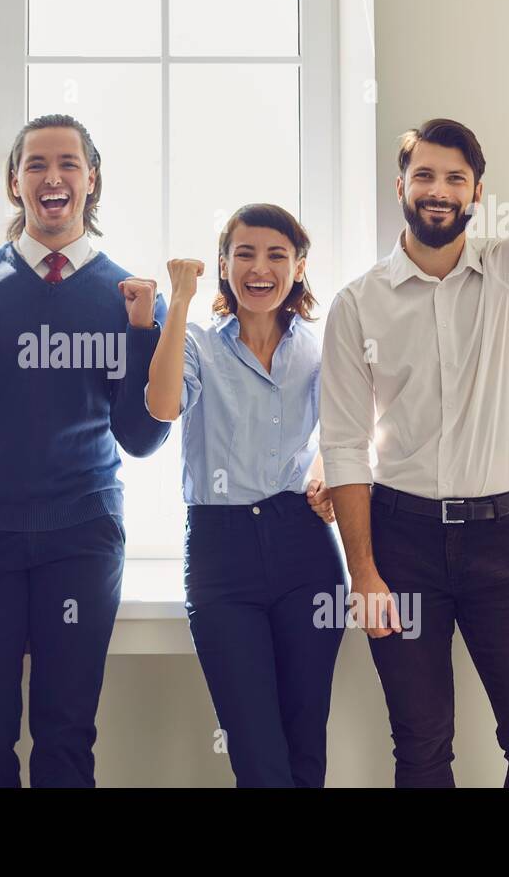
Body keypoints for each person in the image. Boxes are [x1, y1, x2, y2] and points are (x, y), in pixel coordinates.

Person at [320, 55, 509, 787]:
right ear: (402, 188)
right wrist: (365, 573)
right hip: (400, 540)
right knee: (420, 750)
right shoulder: (358, 304)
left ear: (478, 192)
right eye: (424, 175)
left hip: (500, 541)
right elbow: (346, 445)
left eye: (455, 178)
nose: (438, 190)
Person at [0, 114, 170, 787]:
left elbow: (140, 438)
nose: (53, 177)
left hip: (81, 536)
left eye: (69, 164)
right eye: (37, 165)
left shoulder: (128, 296)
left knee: (65, 734)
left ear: (92, 179)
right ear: (14, 183)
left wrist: (142, 335)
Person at [145, 205, 345, 787]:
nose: (260, 268)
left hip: (304, 545)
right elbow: (160, 407)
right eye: (245, 254)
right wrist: (178, 302)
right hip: (221, 551)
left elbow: (348, 425)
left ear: (299, 266)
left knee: (306, 744)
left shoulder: (317, 343)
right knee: (258, 757)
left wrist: (328, 470)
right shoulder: (199, 342)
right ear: (225, 266)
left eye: (277, 255)